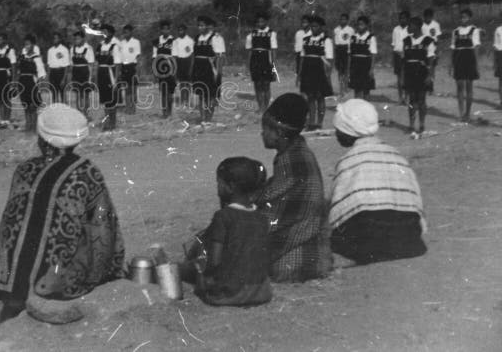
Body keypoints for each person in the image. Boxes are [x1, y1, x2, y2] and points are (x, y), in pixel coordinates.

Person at [0, 104, 125, 322]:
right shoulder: (87, 172)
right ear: (77, 140)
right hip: (56, 285)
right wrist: (107, 272)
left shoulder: (24, 169)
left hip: (10, 283)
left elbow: (8, 227)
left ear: (41, 139)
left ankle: (16, 296)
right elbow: (104, 231)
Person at [330, 99, 427, 265]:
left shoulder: (348, 161)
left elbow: (338, 213)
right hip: (410, 241)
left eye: (338, 129)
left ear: (348, 131)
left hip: (371, 243)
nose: (336, 132)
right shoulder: (395, 155)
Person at [256, 93, 331, 282]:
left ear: (279, 132)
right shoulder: (298, 152)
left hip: (297, 253)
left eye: (265, 129)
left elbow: (274, 207)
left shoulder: (291, 160)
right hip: (314, 246)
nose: (262, 133)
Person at [180, 157, 272, 306]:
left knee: (186, 270)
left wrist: (202, 276)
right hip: (262, 292)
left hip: (230, 294)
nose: (217, 187)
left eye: (219, 183)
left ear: (230, 187)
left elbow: (215, 262)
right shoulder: (261, 217)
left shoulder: (223, 217)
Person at [298, 16, 333, 130]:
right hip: (308, 70)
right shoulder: (306, 39)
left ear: (321, 28)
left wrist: (328, 75)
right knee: (310, 97)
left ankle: (319, 123)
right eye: (312, 26)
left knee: (320, 96)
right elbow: (302, 58)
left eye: (316, 26)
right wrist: (299, 74)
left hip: (319, 70)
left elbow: (329, 59)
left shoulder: (326, 40)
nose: (313, 28)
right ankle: (312, 122)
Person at [402, 17, 435, 136]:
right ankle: (411, 125)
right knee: (411, 100)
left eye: (410, 25)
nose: (408, 28)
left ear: (417, 26)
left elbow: (431, 60)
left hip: (422, 72)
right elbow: (404, 60)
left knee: (421, 100)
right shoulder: (406, 40)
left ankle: (421, 124)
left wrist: (429, 76)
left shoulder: (428, 40)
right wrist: (402, 77)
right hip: (410, 72)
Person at [192, 16, 225, 124]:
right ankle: (202, 119)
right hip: (198, 68)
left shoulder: (216, 38)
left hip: (210, 69)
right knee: (201, 94)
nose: (200, 27)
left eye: (202, 25)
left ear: (207, 26)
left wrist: (218, 74)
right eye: (198, 25)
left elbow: (219, 57)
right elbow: (194, 55)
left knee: (210, 95)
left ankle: (208, 119)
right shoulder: (196, 38)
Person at [451, 8, 481, 123]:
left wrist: (477, 65)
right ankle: (461, 113)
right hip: (458, 59)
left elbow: (476, 48)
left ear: (469, 18)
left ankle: (468, 113)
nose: (463, 19)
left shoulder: (474, 30)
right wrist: (451, 65)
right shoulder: (455, 31)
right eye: (461, 17)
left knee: (469, 87)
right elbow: (453, 48)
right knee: (459, 87)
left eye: (465, 17)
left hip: (469, 59)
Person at [245, 12, 277, 113]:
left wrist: (273, 65)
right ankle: (260, 107)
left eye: (262, 21)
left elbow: (273, 51)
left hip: (266, 59)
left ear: (266, 22)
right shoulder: (251, 34)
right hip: (255, 59)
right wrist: (248, 65)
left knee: (266, 84)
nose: (260, 23)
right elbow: (249, 51)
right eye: (258, 22)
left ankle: (266, 107)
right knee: (257, 84)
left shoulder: (271, 33)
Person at [18, 35, 47, 132]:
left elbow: (41, 73)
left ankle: (34, 127)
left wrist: (40, 86)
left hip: (32, 82)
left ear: (33, 45)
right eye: (25, 44)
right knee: (26, 105)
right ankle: (28, 126)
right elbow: (18, 70)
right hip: (22, 81)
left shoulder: (36, 58)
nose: (27, 46)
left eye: (29, 44)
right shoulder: (21, 57)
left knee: (33, 106)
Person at [96, 24, 122, 130]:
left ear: (111, 33)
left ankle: (112, 123)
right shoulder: (99, 45)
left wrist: (116, 79)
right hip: (101, 73)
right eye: (102, 32)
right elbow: (97, 62)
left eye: (106, 32)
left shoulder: (114, 46)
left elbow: (118, 64)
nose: (104, 34)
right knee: (105, 100)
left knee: (112, 100)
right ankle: (106, 124)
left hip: (110, 73)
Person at [347, 16, 377, 100]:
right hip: (355, 65)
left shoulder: (371, 37)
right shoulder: (353, 37)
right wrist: (349, 69)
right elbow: (349, 54)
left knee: (366, 89)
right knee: (357, 89)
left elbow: (373, 54)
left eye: (362, 24)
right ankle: (358, 109)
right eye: (358, 24)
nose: (360, 26)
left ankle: (366, 109)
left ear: (366, 25)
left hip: (365, 64)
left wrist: (371, 69)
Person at [0, 33, 18, 129]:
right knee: (0, 98)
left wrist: (14, 81)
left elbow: (14, 66)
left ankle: (7, 120)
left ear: (5, 40)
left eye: (0, 39)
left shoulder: (10, 51)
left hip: (6, 76)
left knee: (6, 98)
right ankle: (2, 120)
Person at [152, 20, 177, 118]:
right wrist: (154, 72)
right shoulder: (156, 41)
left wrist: (174, 72)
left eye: (167, 29)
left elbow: (174, 57)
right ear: (161, 30)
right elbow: (154, 57)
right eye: (163, 29)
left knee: (170, 92)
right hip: (160, 68)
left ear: (170, 30)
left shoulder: (174, 41)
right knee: (163, 91)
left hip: (170, 68)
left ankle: (169, 111)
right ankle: (164, 112)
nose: (165, 31)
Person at [69, 31, 95, 117]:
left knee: (86, 94)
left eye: (78, 38)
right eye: (75, 39)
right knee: (77, 94)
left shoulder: (88, 48)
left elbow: (91, 64)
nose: (76, 40)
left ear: (83, 39)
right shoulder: (72, 49)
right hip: (75, 72)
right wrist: (70, 76)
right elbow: (71, 64)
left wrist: (90, 78)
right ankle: (79, 114)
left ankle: (86, 114)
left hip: (85, 72)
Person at [119, 24, 141, 115]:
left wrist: (137, 67)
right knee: (127, 88)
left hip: (132, 66)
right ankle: (128, 108)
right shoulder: (121, 43)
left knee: (133, 88)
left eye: (127, 32)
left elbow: (138, 55)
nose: (125, 34)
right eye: (124, 32)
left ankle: (133, 108)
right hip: (124, 66)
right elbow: (120, 56)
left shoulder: (136, 42)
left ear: (131, 32)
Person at [173, 23, 194, 108]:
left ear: (185, 31)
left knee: (188, 82)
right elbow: (174, 55)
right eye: (179, 30)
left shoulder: (190, 40)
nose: (180, 32)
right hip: (179, 61)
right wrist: (175, 66)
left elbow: (192, 54)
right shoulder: (176, 41)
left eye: (182, 30)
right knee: (181, 82)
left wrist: (191, 66)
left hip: (187, 61)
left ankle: (187, 100)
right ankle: (182, 99)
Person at [333, 14, 354, 97]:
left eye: (344, 19)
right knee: (340, 71)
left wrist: (350, 51)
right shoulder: (336, 30)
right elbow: (334, 42)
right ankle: (341, 89)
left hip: (347, 50)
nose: (342, 21)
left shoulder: (350, 30)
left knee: (346, 70)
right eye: (341, 19)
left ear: (347, 20)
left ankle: (346, 87)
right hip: (339, 50)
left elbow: (352, 41)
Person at [391, 11, 411, 104]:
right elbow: (394, 44)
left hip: (407, 55)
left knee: (407, 77)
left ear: (407, 19)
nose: (402, 20)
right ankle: (400, 98)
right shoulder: (396, 29)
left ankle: (406, 98)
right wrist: (396, 54)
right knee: (399, 78)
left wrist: (406, 53)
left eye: (404, 18)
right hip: (398, 54)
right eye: (401, 18)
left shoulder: (410, 29)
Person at [422, 8, 442, 91]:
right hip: (423, 50)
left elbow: (438, 38)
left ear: (432, 17)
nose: (428, 19)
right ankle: (424, 85)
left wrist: (438, 50)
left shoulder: (436, 24)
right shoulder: (422, 25)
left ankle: (431, 86)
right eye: (426, 17)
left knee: (432, 68)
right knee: (424, 68)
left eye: (430, 17)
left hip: (433, 50)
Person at [46, 32, 70, 104]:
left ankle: (63, 111)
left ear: (59, 39)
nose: (55, 40)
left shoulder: (64, 49)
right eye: (53, 38)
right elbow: (49, 65)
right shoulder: (50, 50)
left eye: (56, 38)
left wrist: (64, 78)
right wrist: (48, 76)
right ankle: (55, 111)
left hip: (61, 72)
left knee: (62, 93)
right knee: (54, 93)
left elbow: (66, 65)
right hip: (53, 73)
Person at [293, 15, 311, 79]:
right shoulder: (298, 33)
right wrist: (296, 52)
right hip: (299, 54)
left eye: (306, 22)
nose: (304, 24)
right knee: (299, 70)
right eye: (303, 22)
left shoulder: (311, 33)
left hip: (308, 54)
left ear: (309, 23)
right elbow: (296, 44)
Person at [495, 20, 502, 107]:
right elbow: (496, 45)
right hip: (501, 54)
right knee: (501, 80)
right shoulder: (498, 30)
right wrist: (496, 60)